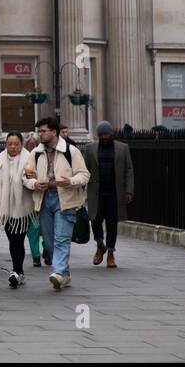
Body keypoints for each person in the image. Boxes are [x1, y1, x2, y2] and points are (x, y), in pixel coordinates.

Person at [27, 116, 90, 290]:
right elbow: (25, 177)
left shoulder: (71, 151)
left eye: (44, 131)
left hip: (65, 198)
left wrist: (69, 181)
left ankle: (59, 271)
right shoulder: (36, 153)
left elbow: (84, 175)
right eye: (39, 131)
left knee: (61, 238)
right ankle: (65, 273)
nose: (41, 134)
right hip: (44, 198)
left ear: (54, 132)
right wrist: (34, 183)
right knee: (48, 242)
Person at [0, 131, 37, 288]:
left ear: (21, 144)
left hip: (22, 207)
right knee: (12, 240)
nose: (13, 147)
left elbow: (33, 179)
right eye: (10, 144)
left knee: (18, 239)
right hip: (5, 208)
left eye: (16, 144)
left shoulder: (29, 159)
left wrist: (29, 179)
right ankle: (18, 272)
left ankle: (17, 271)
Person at [83, 121, 135, 268]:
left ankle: (111, 253)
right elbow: (84, 170)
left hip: (115, 192)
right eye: (101, 134)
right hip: (96, 192)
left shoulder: (122, 148)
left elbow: (129, 170)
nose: (104, 137)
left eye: (106, 134)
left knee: (112, 224)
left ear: (111, 134)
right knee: (95, 219)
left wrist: (129, 190)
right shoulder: (90, 148)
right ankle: (100, 244)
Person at [24, 132, 44, 267]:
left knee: (47, 229)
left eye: (34, 145)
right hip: (30, 201)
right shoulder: (24, 159)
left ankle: (47, 250)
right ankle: (36, 255)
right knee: (34, 230)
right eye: (30, 145)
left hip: (45, 199)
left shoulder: (43, 157)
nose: (32, 148)